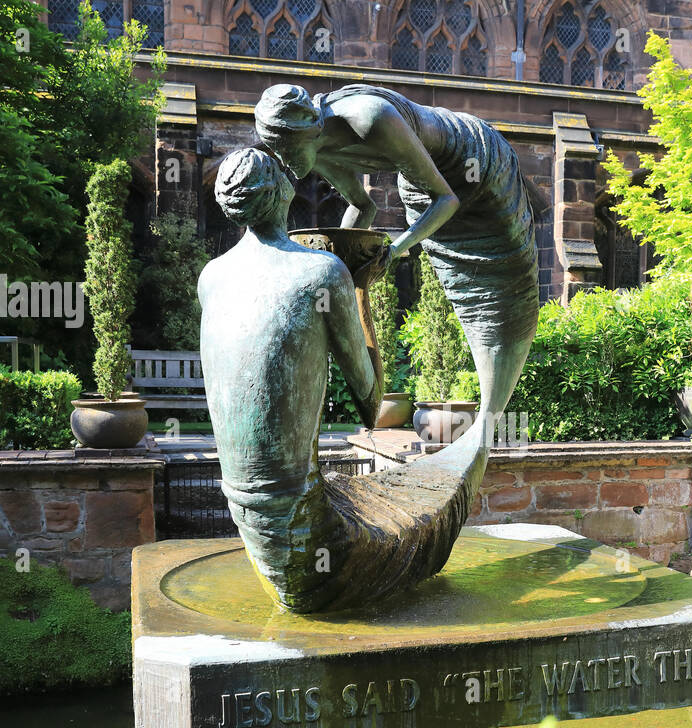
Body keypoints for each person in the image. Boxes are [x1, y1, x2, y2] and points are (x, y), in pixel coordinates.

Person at [199, 146, 468, 613]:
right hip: (303, 522)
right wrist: (359, 288)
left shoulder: (211, 275)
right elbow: (371, 405)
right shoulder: (321, 273)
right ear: (283, 193)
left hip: (243, 508)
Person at [252, 83, 539, 427]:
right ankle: (484, 430)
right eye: (275, 150)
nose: (283, 161)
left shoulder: (371, 118)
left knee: (502, 291)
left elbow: (447, 200)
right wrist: (344, 259)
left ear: (307, 132)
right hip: (419, 186)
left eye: (284, 148)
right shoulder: (320, 149)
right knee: (468, 291)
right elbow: (363, 206)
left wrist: (395, 249)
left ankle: (489, 424)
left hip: (472, 162)